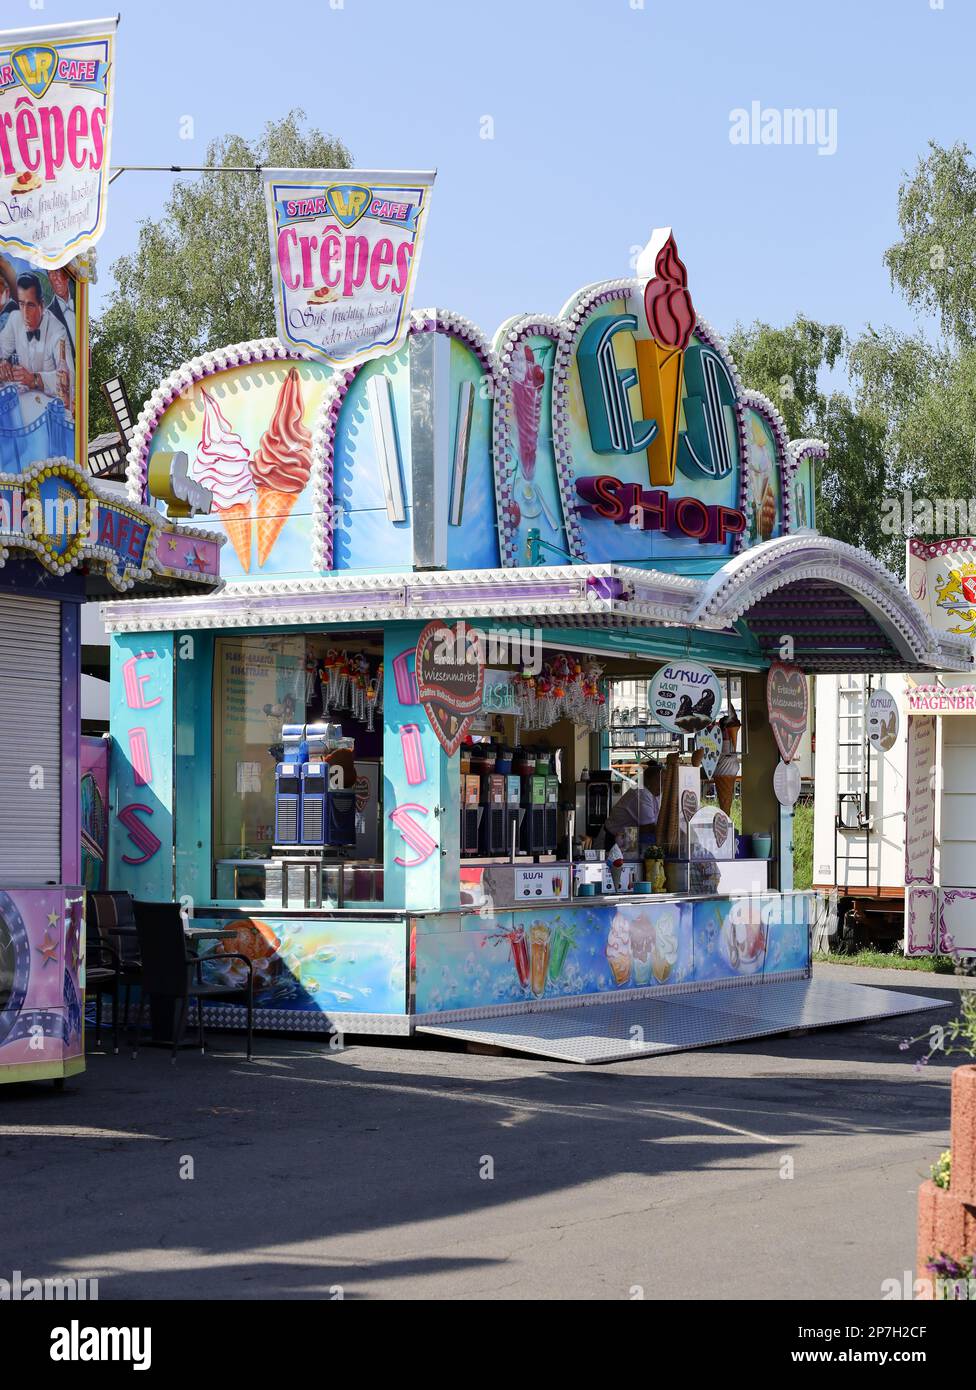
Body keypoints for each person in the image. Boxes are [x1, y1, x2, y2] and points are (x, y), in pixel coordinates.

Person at [0, 273, 73, 405]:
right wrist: (1, 363)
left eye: (31, 305)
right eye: (21, 304)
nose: (25, 313)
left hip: (48, 408)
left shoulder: (57, 330)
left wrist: (35, 379)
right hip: (20, 404)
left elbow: (70, 377)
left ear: (42, 305)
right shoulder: (15, 319)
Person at [600, 759, 663, 853]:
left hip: (629, 838)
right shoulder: (641, 793)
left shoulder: (656, 793)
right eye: (661, 780)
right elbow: (649, 827)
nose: (664, 784)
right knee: (619, 866)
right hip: (614, 839)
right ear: (648, 781)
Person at [47, 267, 76, 357]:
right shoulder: (48, 316)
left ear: (67, 276)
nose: (54, 277)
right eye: (50, 273)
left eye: (57, 271)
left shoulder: (79, 301)